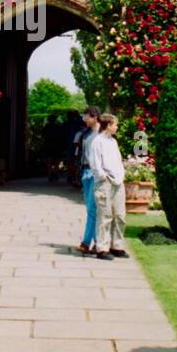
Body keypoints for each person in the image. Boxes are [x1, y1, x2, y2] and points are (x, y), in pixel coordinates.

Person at [91, 113, 128, 261]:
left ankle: (117, 246)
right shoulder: (97, 142)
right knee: (105, 216)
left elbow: (118, 160)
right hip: (105, 183)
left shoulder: (113, 142)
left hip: (118, 182)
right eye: (115, 124)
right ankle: (102, 248)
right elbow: (95, 162)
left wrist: (121, 174)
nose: (117, 127)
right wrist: (102, 176)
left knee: (119, 215)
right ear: (108, 125)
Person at [75, 107, 101, 254]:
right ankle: (96, 243)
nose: (84, 119)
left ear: (95, 117)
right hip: (85, 171)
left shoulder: (102, 134)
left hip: (96, 173)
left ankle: (89, 243)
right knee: (90, 209)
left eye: (87, 117)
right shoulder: (85, 133)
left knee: (93, 208)